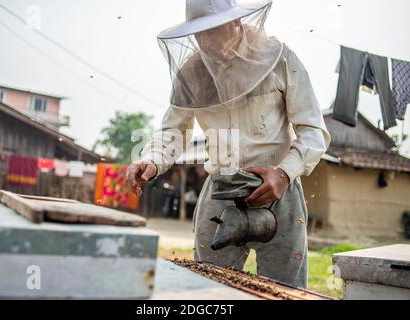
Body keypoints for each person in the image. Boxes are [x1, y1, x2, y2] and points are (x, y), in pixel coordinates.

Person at [127, 0, 330, 288]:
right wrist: (152, 160)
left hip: (279, 190)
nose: (207, 41)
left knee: (285, 291)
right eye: (200, 32)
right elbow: (174, 130)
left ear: (236, 22)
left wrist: (284, 173)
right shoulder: (191, 73)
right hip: (220, 189)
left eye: (214, 30)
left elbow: (313, 130)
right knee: (208, 289)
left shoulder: (279, 58)